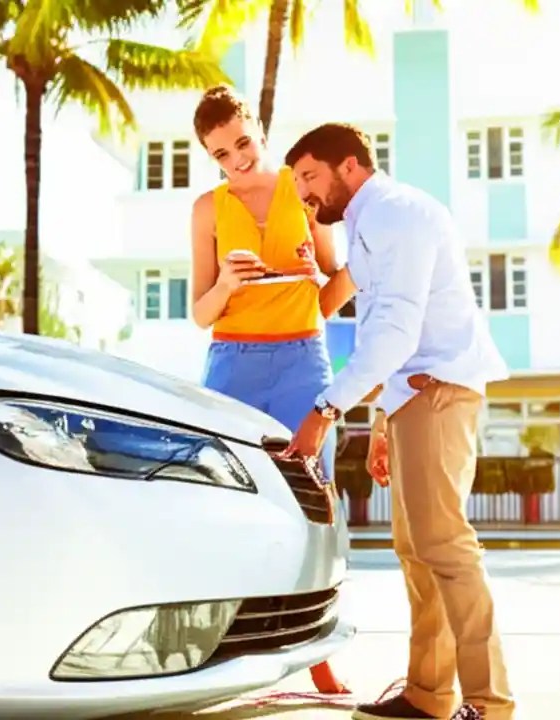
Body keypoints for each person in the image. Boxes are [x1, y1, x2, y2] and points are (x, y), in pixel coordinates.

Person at [281, 123, 514, 720]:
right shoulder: (366, 226)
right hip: (414, 395)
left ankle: (489, 703)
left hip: (439, 391)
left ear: (350, 167)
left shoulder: (396, 214)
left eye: (310, 176)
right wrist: (385, 417)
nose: (306, 192)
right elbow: (374, 322)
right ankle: (430, 693)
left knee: (447, 547)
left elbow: (397, 329)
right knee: (416, 550)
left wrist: (327, 409)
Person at [188, 85, 356, 696]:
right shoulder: (208, 209)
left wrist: (317, 278)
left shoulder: (300, 187)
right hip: (232, 362)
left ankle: (318, 652)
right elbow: (200, 313)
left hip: (302, 359)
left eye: (241, 143)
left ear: (257, 127)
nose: (235, 159)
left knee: (314, 500)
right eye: (219, 153)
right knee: (227, 501)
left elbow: (339, 286)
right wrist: (228, 281)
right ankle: (225, 648)